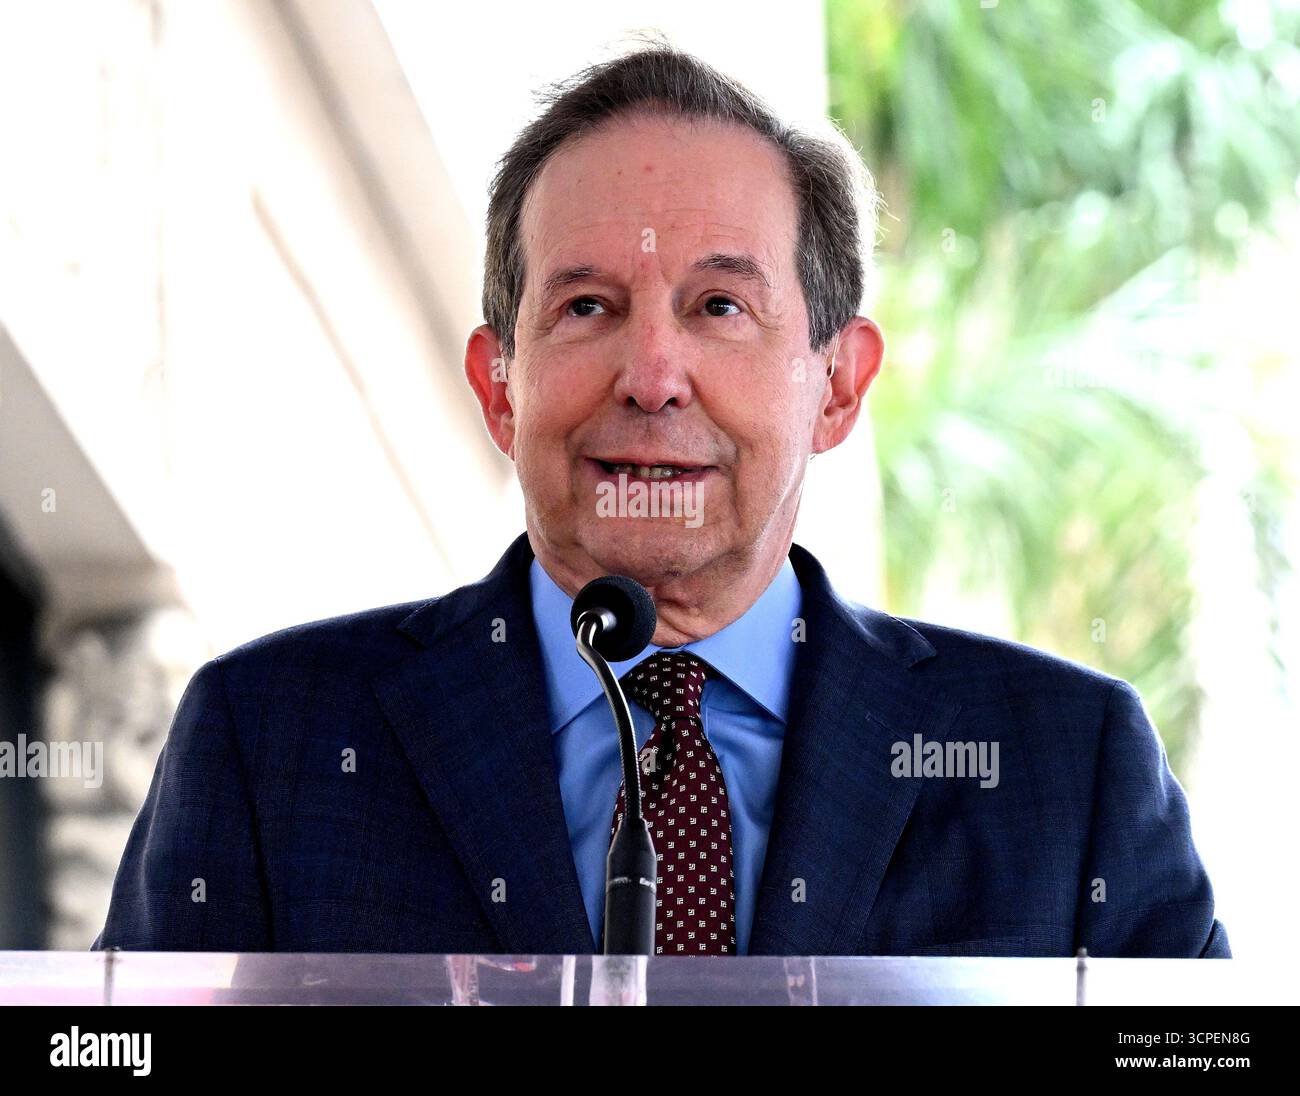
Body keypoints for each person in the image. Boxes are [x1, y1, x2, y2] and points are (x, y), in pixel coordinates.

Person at [94, 45, 1228, 959]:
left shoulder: (1063, 766)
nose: (650, 374)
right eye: (586, 306)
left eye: (720, 306)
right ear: (499, 385)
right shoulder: (273, 741)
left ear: (838, 385)